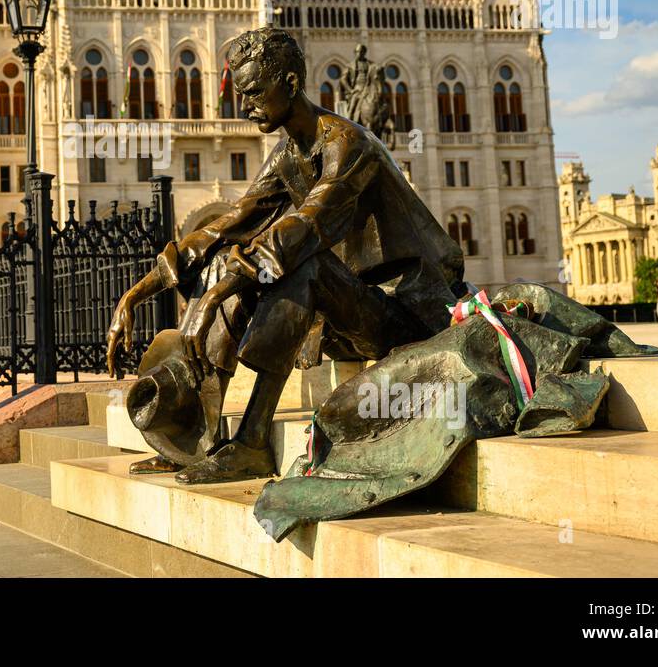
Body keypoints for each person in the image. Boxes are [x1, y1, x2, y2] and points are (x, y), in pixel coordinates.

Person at [106, 28, 465, 484]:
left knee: (301, 264)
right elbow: (228, 224)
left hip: (408, 312)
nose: (246, 105)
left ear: (291, 83)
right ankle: (198, 434)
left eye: (255, 91)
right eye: (241, 93)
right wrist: (134, 296)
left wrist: (218, 295)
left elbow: (305, 230)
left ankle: (253, 442)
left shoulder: (346, 144)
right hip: (353, 314)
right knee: (227, 257)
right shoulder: (288, 154)